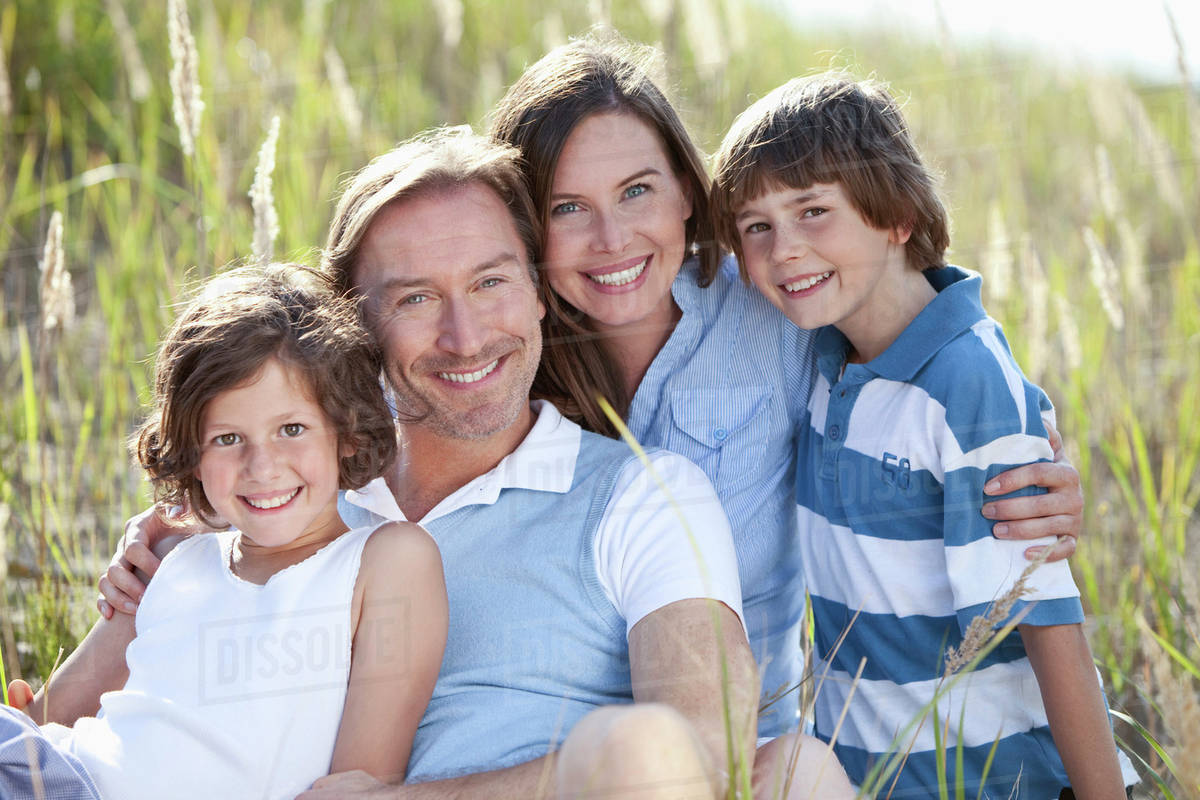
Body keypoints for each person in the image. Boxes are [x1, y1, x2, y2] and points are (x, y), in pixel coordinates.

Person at [99, 131, 778, 800]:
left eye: (490, 282)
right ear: (351, 328)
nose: (466, 337)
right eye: (415, 299)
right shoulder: (285, 497)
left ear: (538, 290)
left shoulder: (645, 496)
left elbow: (703, 749)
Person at [485, 33, 1086, 757]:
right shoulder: (494, 354)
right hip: (539, 750)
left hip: (746, 753)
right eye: (567, 207)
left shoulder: (774, 309)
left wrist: (1023, 458)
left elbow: (898, 311)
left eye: (637, 190)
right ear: (525, 225)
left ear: (686, 191)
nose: (611, 238)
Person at [709, 73, 1138, 798]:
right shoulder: (820, 356)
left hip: (992, 781)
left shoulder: (966, 382)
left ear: (897, 216)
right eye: (757, 227)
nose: (784, 250)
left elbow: (1047, 624)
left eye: (813, 211)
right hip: (867, 775)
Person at [1, 264, 448, 799]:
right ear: (191, 454)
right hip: (67, 775)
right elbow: (45, 716)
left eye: (292, 429)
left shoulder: (387, 560)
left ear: (347, 432)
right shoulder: (176, 553)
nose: (262, 466)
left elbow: (360, 786)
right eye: (228, 438)